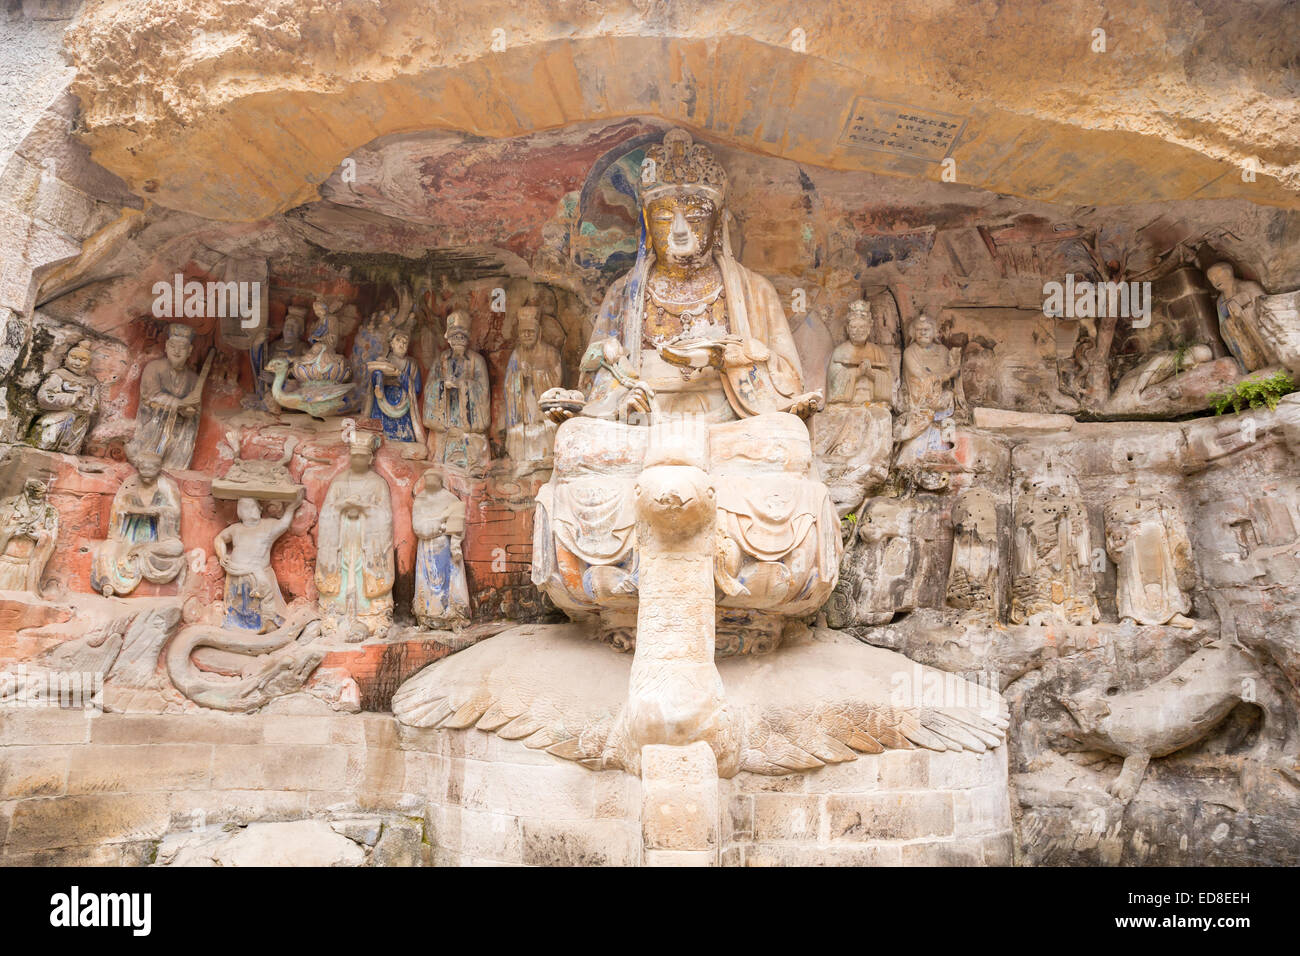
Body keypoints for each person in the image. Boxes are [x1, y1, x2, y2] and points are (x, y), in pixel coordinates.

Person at [315, 437, 394, 640]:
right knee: (343, 571)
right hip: (341, 538)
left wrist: (363, 507)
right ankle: (335, 615)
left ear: (370, 458)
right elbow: (326, 514)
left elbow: (384, 516)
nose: (357, 459)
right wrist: (342, 506)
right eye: (354, 455)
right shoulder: (340, 481)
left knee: (363, 572)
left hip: (367, 540)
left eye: (362, 456)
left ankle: (372, 617)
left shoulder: (378, 483)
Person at [91, 452, 185, 596]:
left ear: (159, 469)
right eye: (143, 470)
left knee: (177, 548)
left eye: (151, 471)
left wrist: (158, 511)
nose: (146, 475)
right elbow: (118, 507)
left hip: (157, 537)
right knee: (106, 549)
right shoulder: (130, 483)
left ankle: (143, 550)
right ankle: (108, 582)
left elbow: (175, 511)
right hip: (130, 534)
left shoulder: (167, 485)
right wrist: (133, 510)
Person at [214, 490, 303, 632]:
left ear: (260, 508)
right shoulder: (236, 529)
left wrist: (292, 507)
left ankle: (268, 622)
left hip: (258, 572)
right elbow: (219, 539)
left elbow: (284, 524)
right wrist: (222, 554)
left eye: (252, 506)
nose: (249, 510)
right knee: (239, 601)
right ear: (239, 511)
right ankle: (238, 624)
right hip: (236, 571)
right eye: (244, 507)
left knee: (264, 597)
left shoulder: (268, 526)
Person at [28, 338, 100, 454]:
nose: (77, 363)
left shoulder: (92, 383)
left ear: (89, 363)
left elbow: (95, 407)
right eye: (74, 358)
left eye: (83, 360)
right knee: (41, 449)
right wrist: (72, 398)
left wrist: (88, 404)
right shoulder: (58, 375)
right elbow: (43, 397)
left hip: (79, 424)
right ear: (66, 358)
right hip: (57, 420)